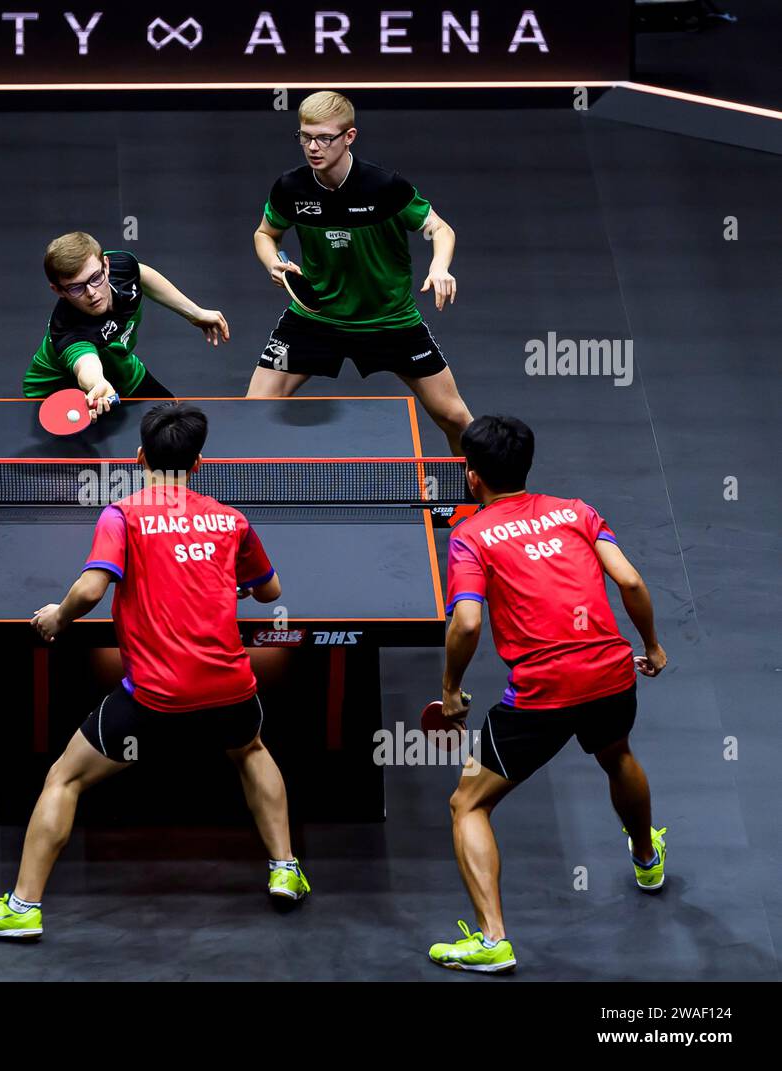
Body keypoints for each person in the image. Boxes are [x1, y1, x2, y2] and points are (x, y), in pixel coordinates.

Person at [0, 403, 309, 939]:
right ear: (199, 463)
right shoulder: (231, 519)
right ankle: (285, 868)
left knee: (64, 778)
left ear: (140, 457)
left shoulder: (123, 515)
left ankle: (23, 908)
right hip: (231, 686)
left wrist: (58, 616)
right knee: (251, 748)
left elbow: (93, 588)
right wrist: (216, 581)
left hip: (155, 697)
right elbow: (270, 591)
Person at [427, 415, 669, 972]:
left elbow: (466, 623)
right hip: (611, 670)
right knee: (616, 754)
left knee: (467, 803)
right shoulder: (577, 511)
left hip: (542, 692)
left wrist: (451, 689)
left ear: (471, 476)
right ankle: (646, 857)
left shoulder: (470, 534)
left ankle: (493, 940)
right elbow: (629, 581)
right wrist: (651, 647)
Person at [249, 90, 473, 455]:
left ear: (349, 137)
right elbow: (265, 233)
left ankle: (481, 497)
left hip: (391, 322)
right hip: (315, 318)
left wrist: (439, 265)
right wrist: (272, 260)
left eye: (324, 137)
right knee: (251, 411)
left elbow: (440, 229)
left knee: (455, 418)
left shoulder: (385, 187)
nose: (313, 147)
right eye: (305, 137)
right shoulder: (291, 188)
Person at [22, 232, 230, 413]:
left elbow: (142, 274)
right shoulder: (67, 330)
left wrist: (195, 313)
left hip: (122, 370)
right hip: (57, 394)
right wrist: (98, 383)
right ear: (58, 290)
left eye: (95, 278)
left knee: (174, 423)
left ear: (106, 265)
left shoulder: (122, 267)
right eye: (76, 288)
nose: (92, 293)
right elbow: (85, 364)